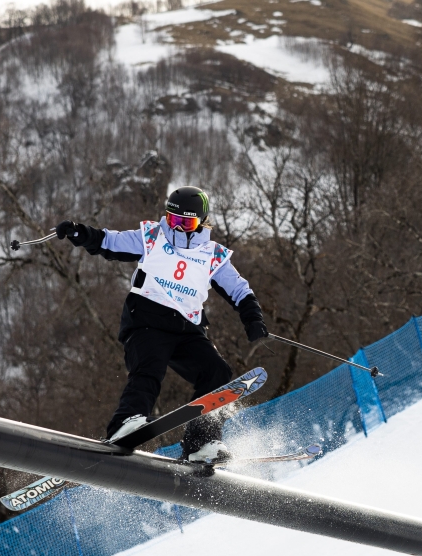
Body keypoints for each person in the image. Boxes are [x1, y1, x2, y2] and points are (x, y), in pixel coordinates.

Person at [55, 186, 268, 462]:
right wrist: (79, 232)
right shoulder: (153, 236)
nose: (177, 228)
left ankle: (202, 442)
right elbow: (110, 241)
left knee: (216, 371)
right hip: (146, 319)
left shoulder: (213, 254)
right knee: (149, 366)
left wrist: (253, 319)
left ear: (201, 223)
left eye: (186, 222)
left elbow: (240, 290)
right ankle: (126, 423)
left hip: (187, 328)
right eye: (173, 219)